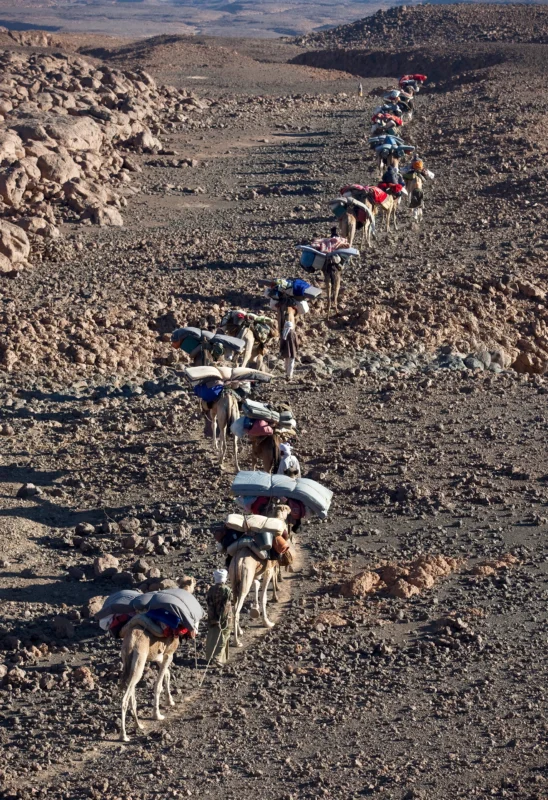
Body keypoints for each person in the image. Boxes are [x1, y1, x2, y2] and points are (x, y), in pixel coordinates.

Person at [205, 569, 232, 666]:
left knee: (212, 636)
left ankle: (210, 656)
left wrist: (213, 617)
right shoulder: (227, 590)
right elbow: (226, 606)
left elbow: (209, 603)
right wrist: (222, 619)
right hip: (224, 618)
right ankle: (217, 658)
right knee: (224, 636)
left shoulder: (211, 589)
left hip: (212, 616)